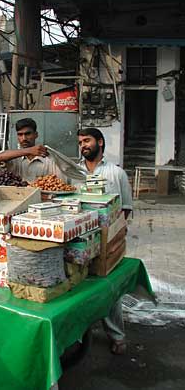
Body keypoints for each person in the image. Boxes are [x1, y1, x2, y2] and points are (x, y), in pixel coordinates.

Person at [77, 127, 133, 355]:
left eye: (87, 141)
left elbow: (125, 208)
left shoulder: (116, 173)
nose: (83, 145)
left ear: (100, 142)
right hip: (79, 240)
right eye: (80, 142)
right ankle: (78, 334)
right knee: (79, 287)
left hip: (107, 241)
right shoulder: (74, 172)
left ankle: (117, 336)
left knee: (109, 290)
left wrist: (112, 236)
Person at [0, 118, 67, 182]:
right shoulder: (14, 158)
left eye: (28, 134)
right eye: (20, 134)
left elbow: (60, 184)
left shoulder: (49, 159)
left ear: (36, 135)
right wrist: (29, 151)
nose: (24, 138)